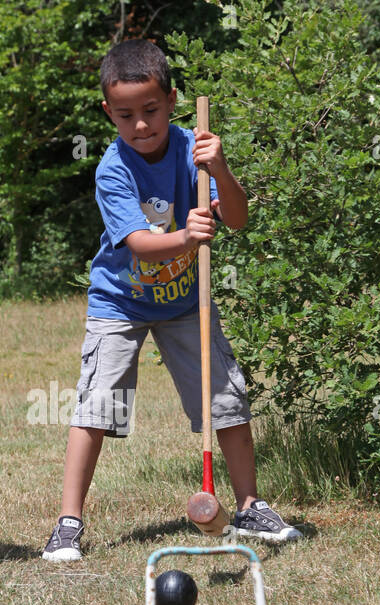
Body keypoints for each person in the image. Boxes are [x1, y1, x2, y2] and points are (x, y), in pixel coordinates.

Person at [42, 41, 301, 562]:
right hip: (121, 301)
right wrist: (187, 237)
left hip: (186, 299)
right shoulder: (112, 170)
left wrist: (221, 168)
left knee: (224, 396)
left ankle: (249, 504)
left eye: (151, 111)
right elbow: (139, 243)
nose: (140, 125)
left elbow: (238, 216)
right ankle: (69, 522)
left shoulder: (193, 151)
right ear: (107, 113)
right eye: (125, 115)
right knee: (97, 404)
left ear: (173, 100)